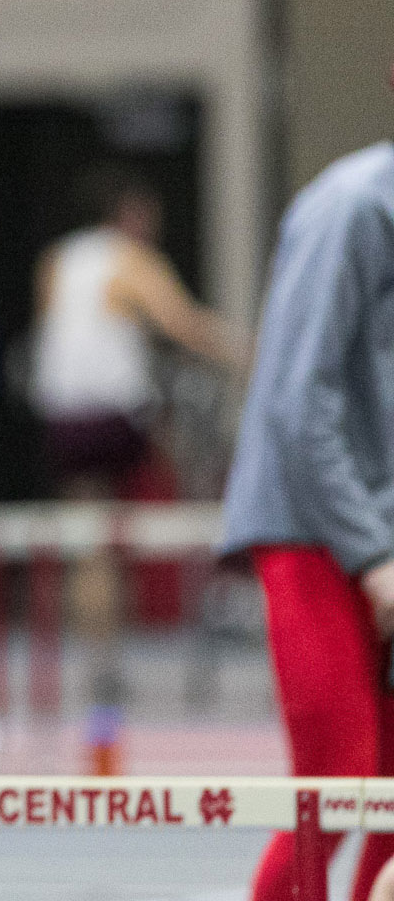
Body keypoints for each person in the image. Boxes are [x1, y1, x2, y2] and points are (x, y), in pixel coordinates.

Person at [221, 138, 394, 901]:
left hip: (377, 532)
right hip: (314, 531)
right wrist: (374, 557)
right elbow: (298, 401)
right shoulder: (355, 204)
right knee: (338, 779)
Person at [29, 169, 249, 706]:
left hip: (63, 418)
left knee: (91, 541)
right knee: (160, 504)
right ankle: (222, 584)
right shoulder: (131, 258)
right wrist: (252, 353)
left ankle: (100, 661)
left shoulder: (58, 260)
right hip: (113, 418)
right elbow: (183, 324)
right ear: (130, 214)